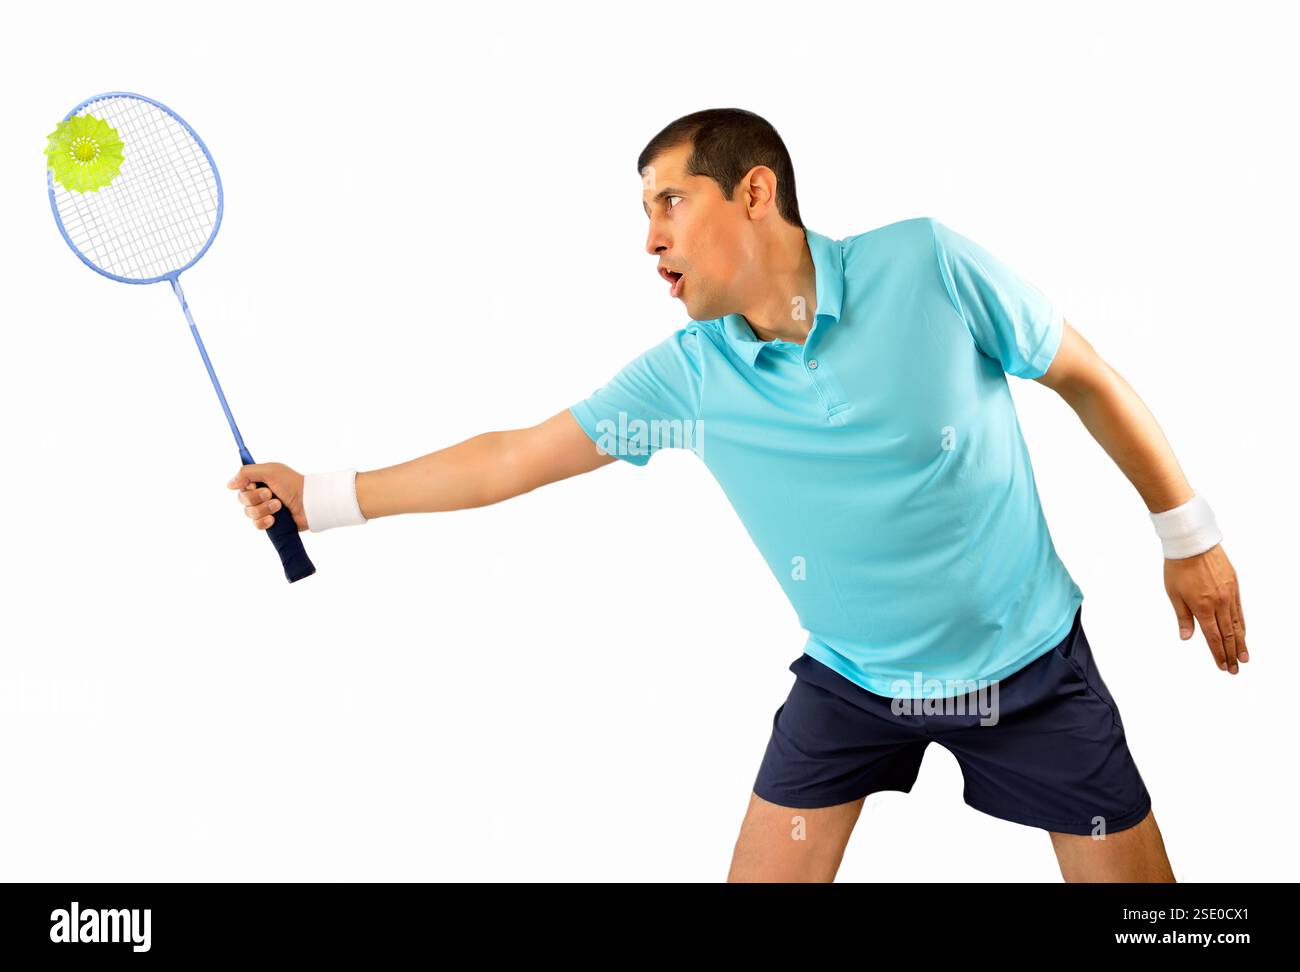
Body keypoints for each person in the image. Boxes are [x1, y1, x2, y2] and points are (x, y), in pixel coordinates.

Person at [227, 108, 1246, 883]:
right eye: (642, 214)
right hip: (853, 689)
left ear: (754, 193)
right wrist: (319, 496)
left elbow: (1084, 376)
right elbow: (511, 459)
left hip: (1027, 672)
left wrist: (1186, 533)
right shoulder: (689, 376)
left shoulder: (925, 263)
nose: (649, 238)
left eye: (669, 202)